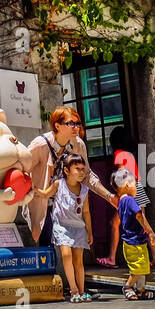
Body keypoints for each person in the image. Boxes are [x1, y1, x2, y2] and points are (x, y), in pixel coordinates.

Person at [24, 105, 118, 245]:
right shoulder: (41, 145)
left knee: (68, 248)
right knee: (47, 242)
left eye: (77, 123)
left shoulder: (78, 145)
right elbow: (22, 169)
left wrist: (109, 197)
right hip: (43, 202)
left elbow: (86, 175)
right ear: (57, 126)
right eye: (70, 123)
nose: (76, 127)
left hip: (66, 204)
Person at [97, 126, 155, 268]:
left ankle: (112, 258)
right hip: (138, 188)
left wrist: (118, 193)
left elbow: (122, 175)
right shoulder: (131, 155)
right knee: (143, 225)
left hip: (129, 190)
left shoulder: (119, 154)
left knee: (114, 223)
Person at [49, 156, 100, 302]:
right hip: (62, 226)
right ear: (66, 170)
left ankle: (82, 291)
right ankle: (73, 290)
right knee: (66, 255)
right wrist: (34, 190)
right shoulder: (59, 184)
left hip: (79, 227)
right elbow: (46, 194)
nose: (81, 172)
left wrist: (89, 231)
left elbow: (86, 212)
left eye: (83, 169)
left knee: (78, 261)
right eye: (77, 169)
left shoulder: (84, 190)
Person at [112, 167, 155, 300]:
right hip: (135, 241)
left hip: (131, 241)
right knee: (139, 267)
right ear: (126, 185)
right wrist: (151, 232)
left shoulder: (121, 201)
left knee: (141, 266)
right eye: (135, 184)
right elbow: (139, 215)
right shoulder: (130, 200)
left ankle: (141, 290)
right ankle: (128, 286)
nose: (137, 188)